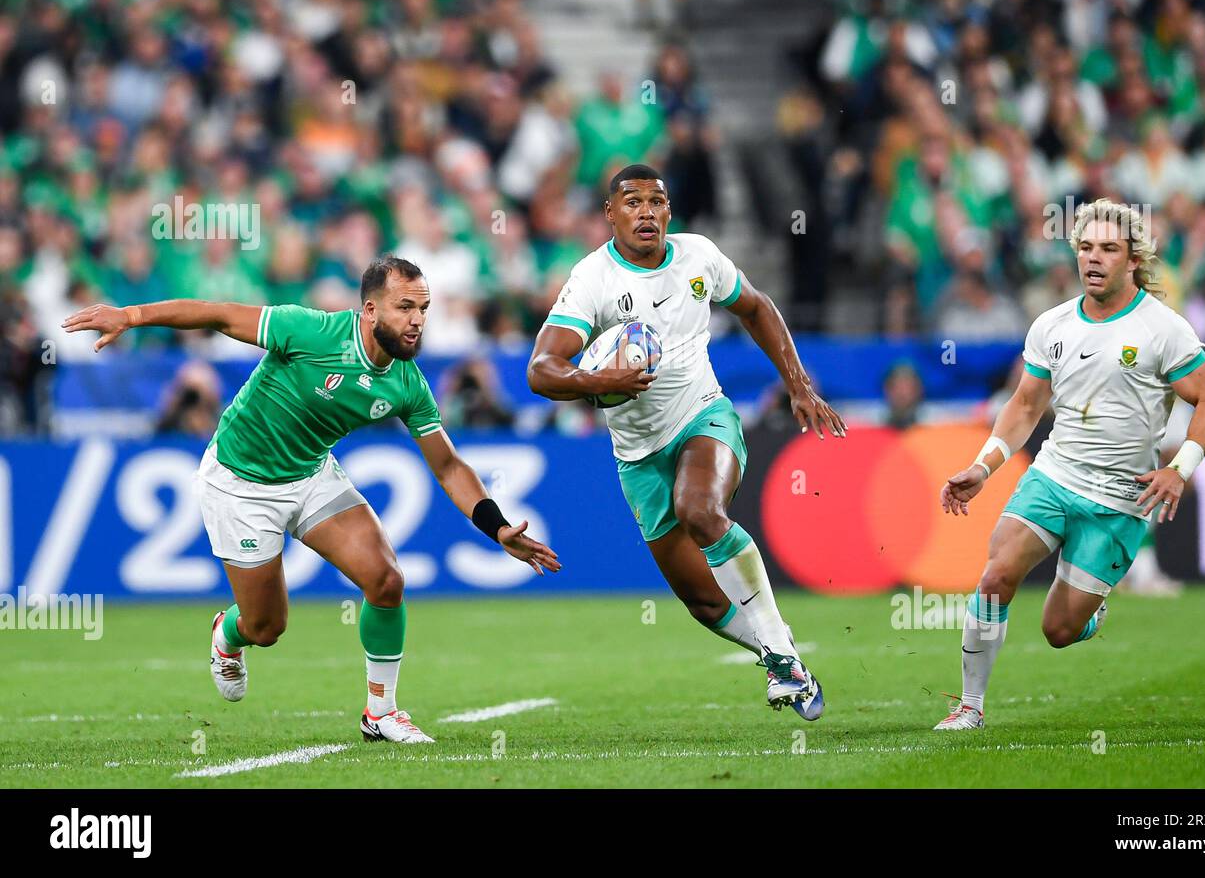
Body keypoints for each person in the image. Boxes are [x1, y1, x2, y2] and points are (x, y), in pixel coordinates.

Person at [62, 256, 559, 744]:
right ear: (369, 311)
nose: (417, 321)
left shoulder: (407, 382)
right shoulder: (309, 330)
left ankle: (380, 714)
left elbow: (448, 466)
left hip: (311, 473)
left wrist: (496, 527)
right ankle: (228, 632)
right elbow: (217, 314)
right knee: (266, 626)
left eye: (424, 309)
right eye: (405, 307)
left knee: (386, 581)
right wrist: (131, 316)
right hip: (241, 483)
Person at [527, 164, 845, 718]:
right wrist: (603, 382)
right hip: (636, 455)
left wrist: (798, 386)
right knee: (703, 602)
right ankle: (779, 647)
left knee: (699, 509)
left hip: (704, 417)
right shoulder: (592, 279)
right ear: (610, 215)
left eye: (657, 201)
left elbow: (757, 306)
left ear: (669, 211)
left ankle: (780, 656)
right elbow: (541, 369)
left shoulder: (698, 256)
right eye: (632, 202)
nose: (646, 212)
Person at [936, 199, 1205, 730]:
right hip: (1055, 475)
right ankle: (971, 707)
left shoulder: (1164, 329)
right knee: (996, 575)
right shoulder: (1051, 325)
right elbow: (1025, 406)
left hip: (1119, 499)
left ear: (1133, 259)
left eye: (1109, 249)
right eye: (1087, 248)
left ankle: (1089, 612)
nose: (1094, 259)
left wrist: (1179, 468)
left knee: (1058, 630)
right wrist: (983, 468)